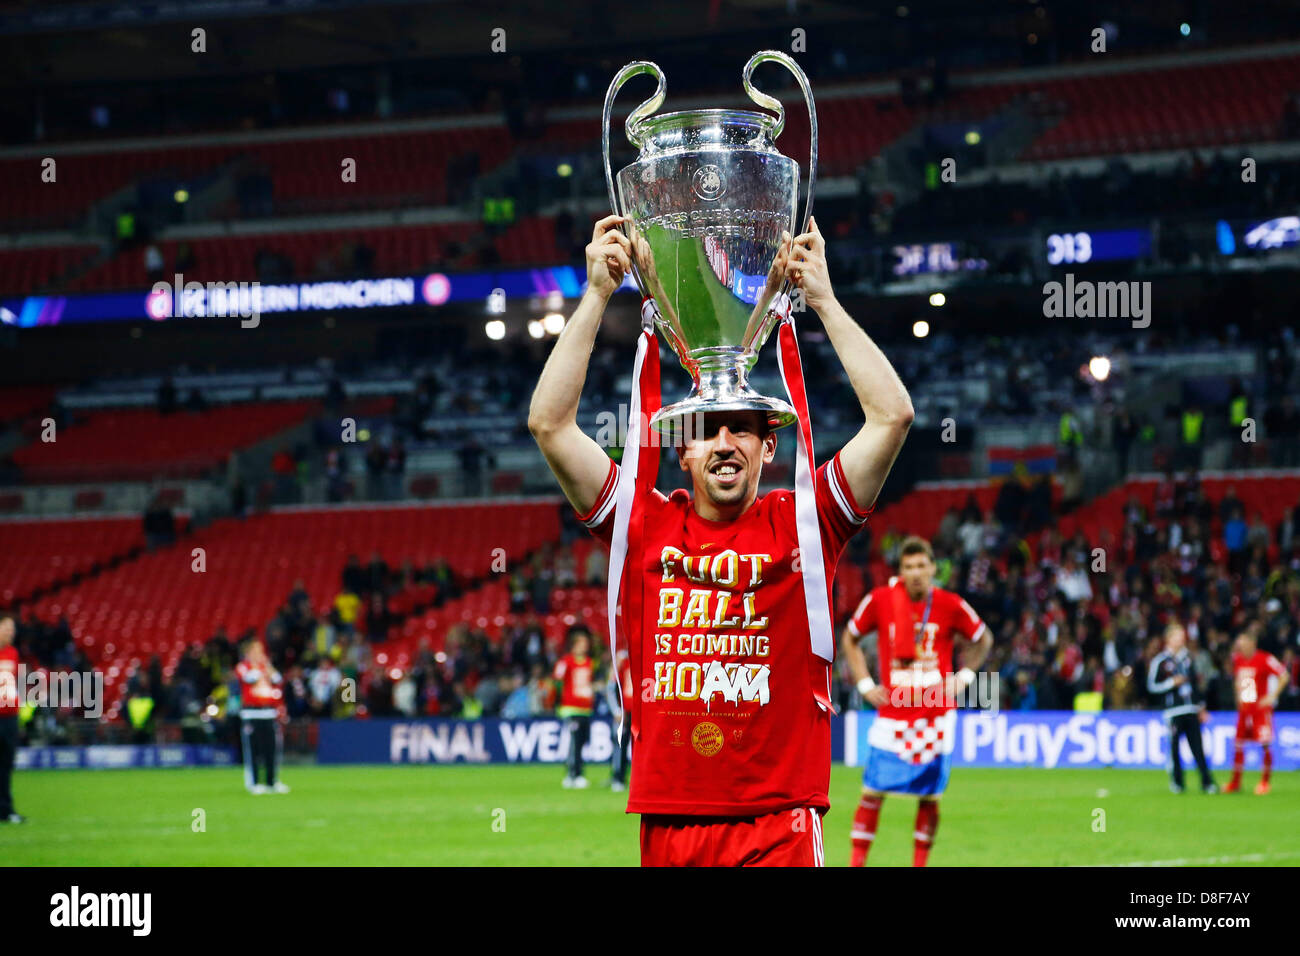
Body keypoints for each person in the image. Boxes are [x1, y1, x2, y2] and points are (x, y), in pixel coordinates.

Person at [529, 213, 912, 866]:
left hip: (777, 820)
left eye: (743, 429)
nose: (725, 443)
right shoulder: (644, 522)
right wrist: (595, 295)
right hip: (670, 822)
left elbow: (892, 415)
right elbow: (550, 425)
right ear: (683, 451)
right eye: (708, 429)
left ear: (770, 445)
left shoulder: (804, 523)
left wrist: (823, 300)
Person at [840, 536, 990, 867]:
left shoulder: (950, 604)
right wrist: (865, 683)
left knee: (929, 796)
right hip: (893, 716)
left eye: (922, 565)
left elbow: (983, 638)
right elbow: (850, 637)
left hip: (936, 717)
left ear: (934, 568)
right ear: (901, 571)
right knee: (871, 792)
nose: (916, 572)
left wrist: (964, 678)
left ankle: (919, 864)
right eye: (909, 567)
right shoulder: (880, 600)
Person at [1146, 623, 1216, 794]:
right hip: (1173, 711)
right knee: (1174, 748)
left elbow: (1196, 685)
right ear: (1168, 639)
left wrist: (1201, 707)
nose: (1181, 639)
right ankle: (1178, 783)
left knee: (1198, 748)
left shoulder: (1188, 658)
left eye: (1182, 635)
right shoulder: (1160, 661)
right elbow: (1151, 686)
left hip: (1191, 709)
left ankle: (1207, 783)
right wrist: (1171, 683)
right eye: (1177, 635)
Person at [1223, 631, 1289, 795]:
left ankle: (1265, 783)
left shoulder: (1265, 658)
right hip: (1245, 709)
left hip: (1260, 710)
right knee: (1238, 745)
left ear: (1252, 642)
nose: (1239, 645)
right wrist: (1238, 697)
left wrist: (1272, 696)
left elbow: (1284, 675)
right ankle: (1235, 783)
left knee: (1265, 745)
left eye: (1242, 641)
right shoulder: (1238, 659)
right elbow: (1238, 680)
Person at [236, 640, 289, 794]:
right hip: (251, 713)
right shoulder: (243, 667)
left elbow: (278, 679)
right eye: (256, 650)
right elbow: (249, 678)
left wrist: (267, 666)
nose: (260, 653)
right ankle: (253, 782)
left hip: (269, 712)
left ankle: (272, 781)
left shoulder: (265, 666)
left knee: (271, 749)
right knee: (253, 750)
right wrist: (258, 666)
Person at [554, 626, 595, 788]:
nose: (585, 646)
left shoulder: (589, 662)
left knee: (583, 740)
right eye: (582, 643)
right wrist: (559, 702)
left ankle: (576, 772)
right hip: (571, 707)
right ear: (574, 644)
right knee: (575, 741)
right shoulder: (566, 661)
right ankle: (573, 774)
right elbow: (557, 682)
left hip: (586, 707)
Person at [0, 613, 24, 823]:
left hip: (9, 717)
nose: (11, 632)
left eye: (12, 629)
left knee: (6, 765)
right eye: (7, 628)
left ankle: (6, 810)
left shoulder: (13, 653)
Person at [606, 647, 634, 792]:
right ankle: (618, 777)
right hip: (625, 712)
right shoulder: (623, 661)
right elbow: (611, 687)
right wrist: (616, 709)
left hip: (639, 711)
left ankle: (637, 780)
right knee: (621, 744)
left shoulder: (645, 658)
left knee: (638, 748)